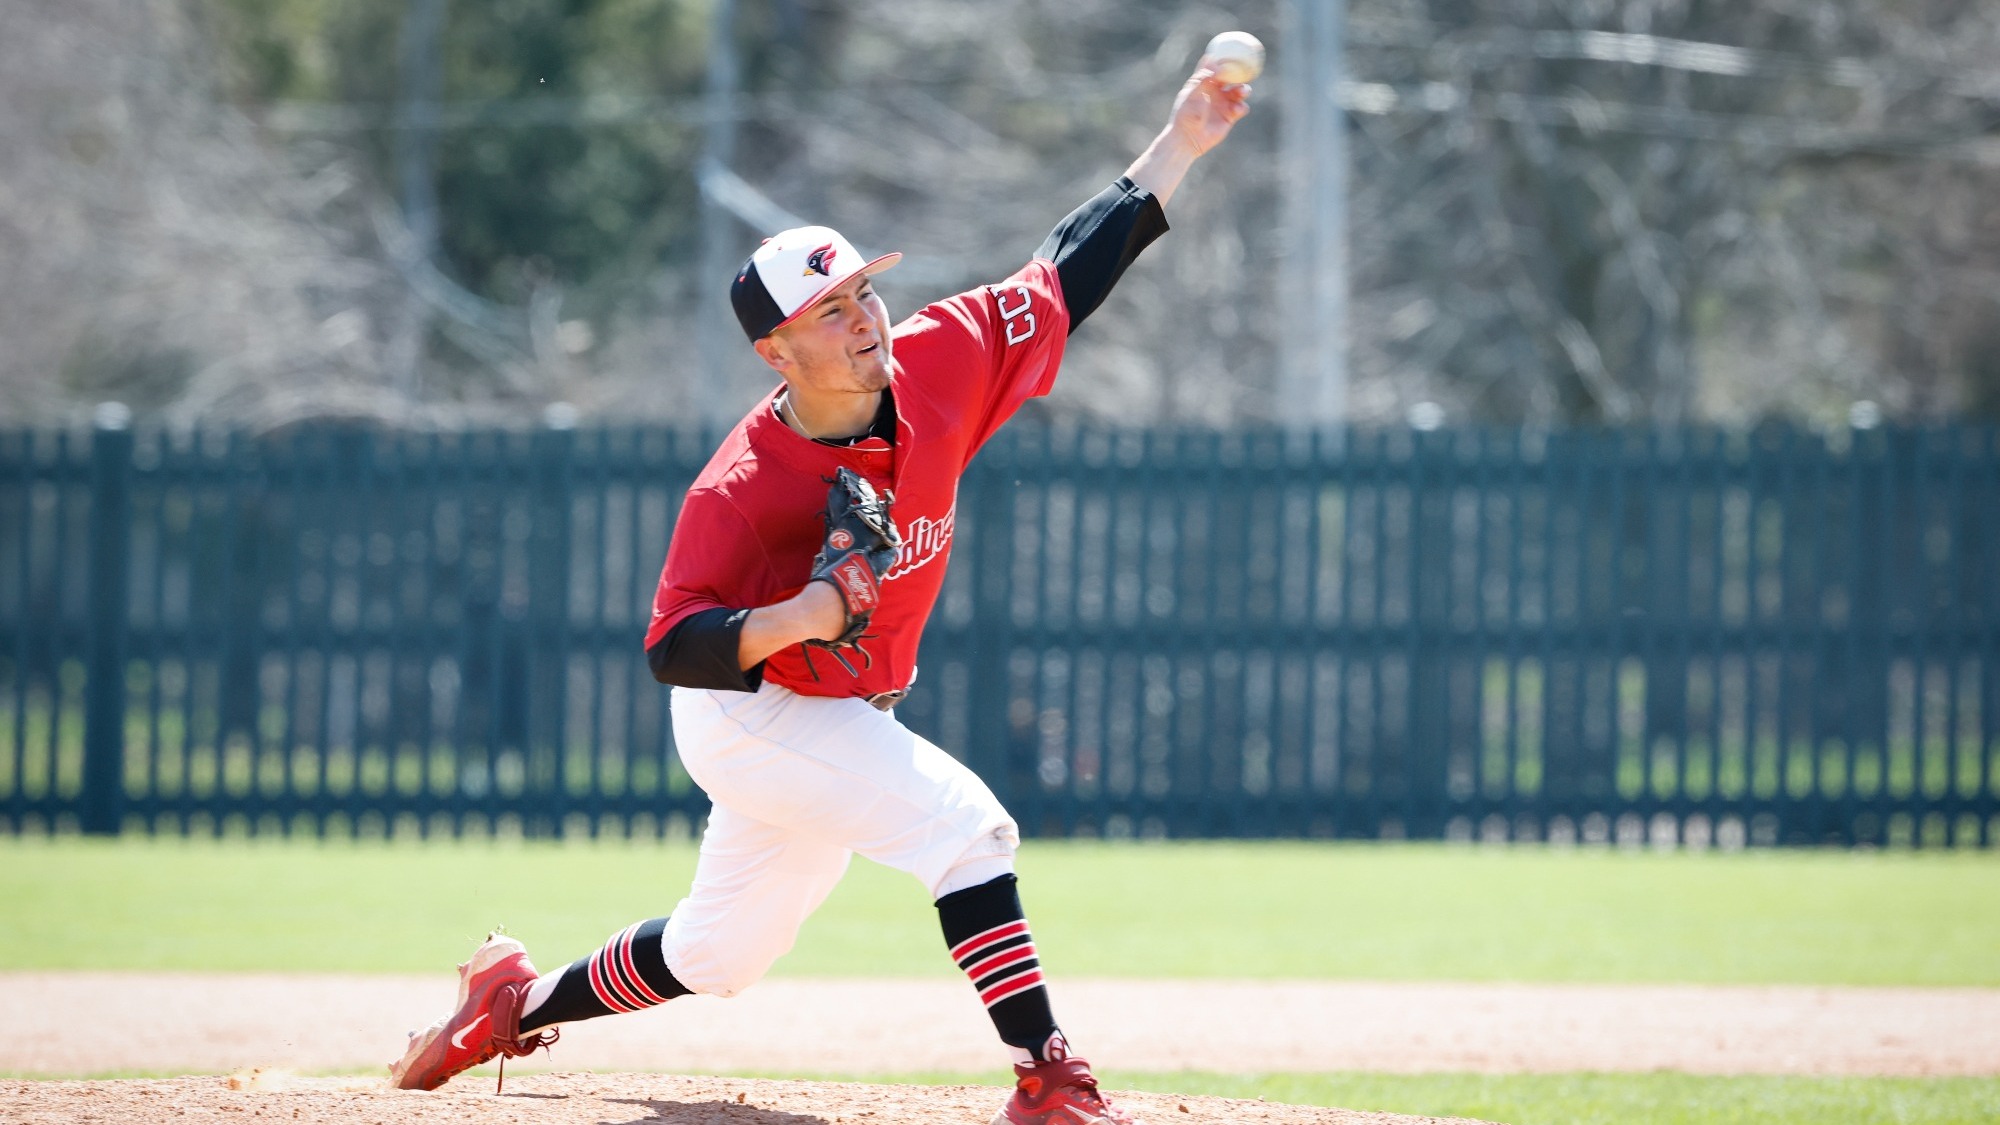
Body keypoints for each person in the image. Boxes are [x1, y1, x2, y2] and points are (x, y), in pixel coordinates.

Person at [391, 59, 1250, 1125]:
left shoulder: (940, 359)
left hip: (838, 709)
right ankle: (1049, 1080)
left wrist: (1178, 143)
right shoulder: (742, 489)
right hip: (750, 712)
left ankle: (509, 1003)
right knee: (969, 832)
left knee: (721, 954)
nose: (863, 320)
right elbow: (671, 645)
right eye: (828, 310)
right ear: (774, 351)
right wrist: (799, 615)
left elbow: (1063, 272)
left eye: (863, 293)